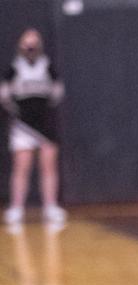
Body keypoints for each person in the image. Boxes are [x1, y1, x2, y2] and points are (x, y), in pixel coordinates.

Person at [1, 28, 66, 230]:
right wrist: (16, 110)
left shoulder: (47, 66)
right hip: (22, 123)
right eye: (26, 44)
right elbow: (4, 94)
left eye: (34, 44)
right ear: (20, 45)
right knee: (22, 166)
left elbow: (57, 91)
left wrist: (45, 108)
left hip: (44, 122)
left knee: (48, 166)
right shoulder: (14, 68)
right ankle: (17, 208)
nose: (30, 48)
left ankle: (50, 207)